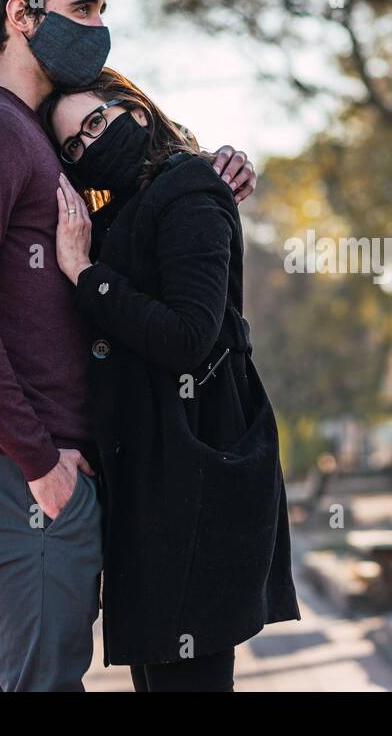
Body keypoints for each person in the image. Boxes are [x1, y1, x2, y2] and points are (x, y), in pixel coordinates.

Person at [0, 0, 257, 691]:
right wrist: (42, 464)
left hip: (24, 471)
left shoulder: (34, 135)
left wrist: (207, 167)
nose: (98, 23)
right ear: (21, 15)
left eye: (101, 7)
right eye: (82, 7)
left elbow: (133, 207)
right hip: (23, 473)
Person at [41, 68, 300, 692]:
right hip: (147, 489)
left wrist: (85, 273)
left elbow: (189, 338)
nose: (88, 147)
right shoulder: (130, 207)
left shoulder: (188, 186)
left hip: (192, 481)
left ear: (135, 109)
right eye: (73, 147)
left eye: (97, 122)